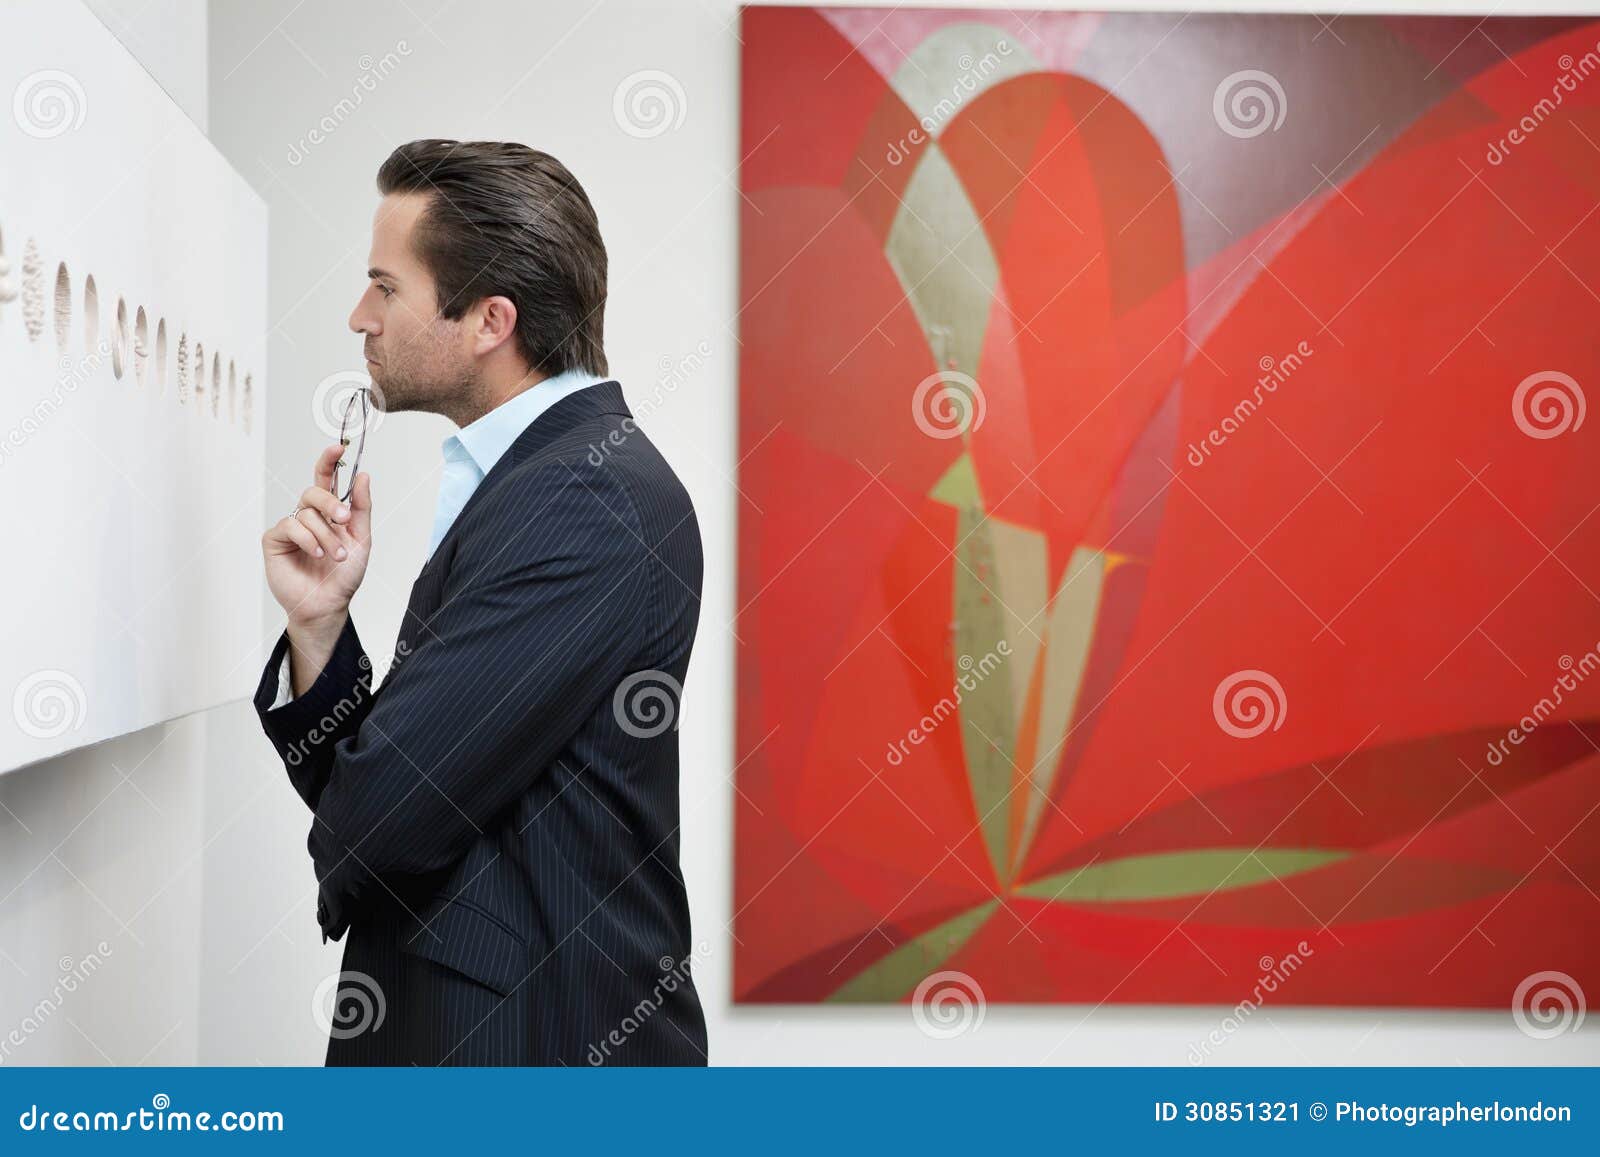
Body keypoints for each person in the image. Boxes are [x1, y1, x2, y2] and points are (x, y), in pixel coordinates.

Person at [255, 139, 706, 1066]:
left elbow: (380, 816)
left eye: (386, 288)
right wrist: (320, 624)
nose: (358, 317)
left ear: (489, 319)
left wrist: (362, 813)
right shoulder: (545, 478)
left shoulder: (581, 497)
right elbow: (386, 788)